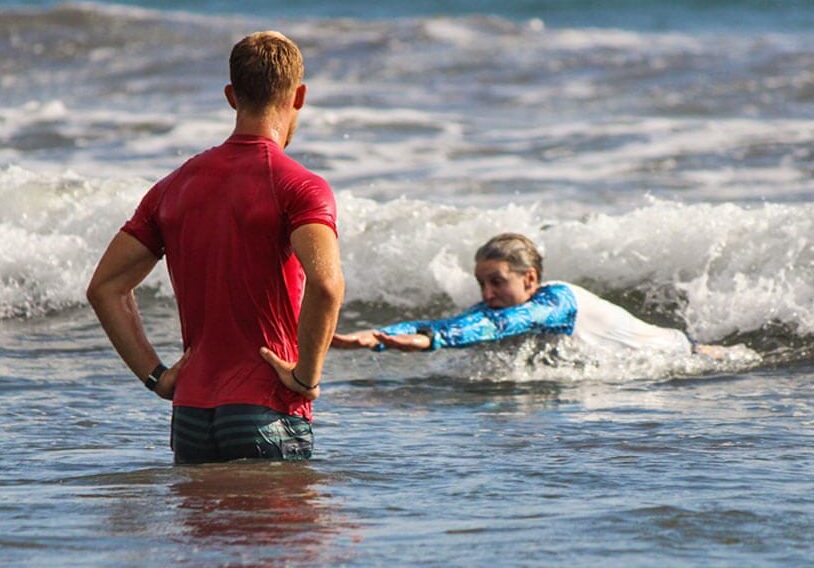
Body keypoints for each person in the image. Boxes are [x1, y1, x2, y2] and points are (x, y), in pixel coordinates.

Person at [87, 31, 345, 463]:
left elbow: (105, 287)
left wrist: (157, 377)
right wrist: (305, 376)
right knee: (286, 532)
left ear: (231, 95)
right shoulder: (299, 186)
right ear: (298, 96)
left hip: (191, 418)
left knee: (206, 531)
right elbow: (327, 284)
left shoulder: (174, 186)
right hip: (268, 411)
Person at [332, 233, 723, 358]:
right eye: (481, 283)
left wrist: (430, 342)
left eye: (497, 282)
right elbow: (448, 325)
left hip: (683, 354)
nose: (487, 293)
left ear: (530, 278)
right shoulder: (496, 306)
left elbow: (500, 324)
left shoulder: (557, 302)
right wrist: (376, 337)